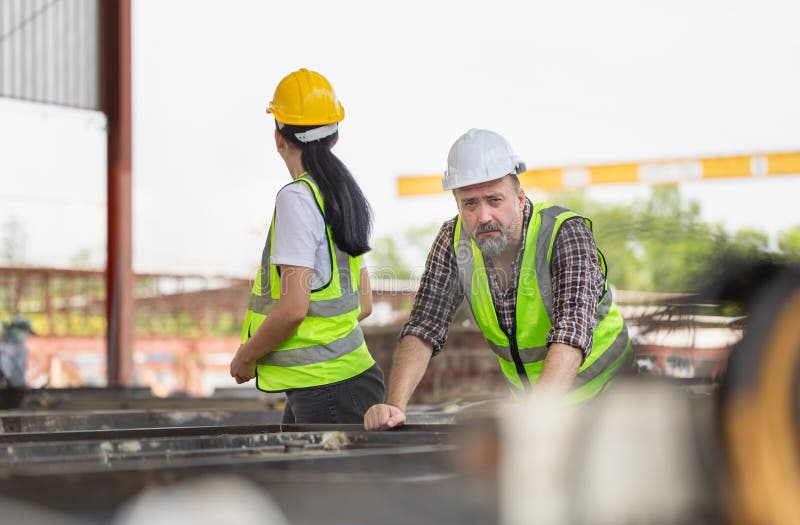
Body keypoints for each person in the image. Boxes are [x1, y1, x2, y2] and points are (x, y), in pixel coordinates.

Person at [364, 128, 633, 430]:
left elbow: (571, 332)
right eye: (470, 204)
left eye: (494, 200)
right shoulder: (454, 242)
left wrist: (536, 414)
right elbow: (423, 326)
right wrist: (394, 407)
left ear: (519, 197)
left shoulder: (563, 234)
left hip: (613, 402)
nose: (483, 216)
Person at [230, 68, 385, 424]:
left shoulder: (298, 199)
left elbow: (294, 308)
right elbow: (363, 305)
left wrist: (247, 356)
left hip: (327, 389)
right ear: (334, 137)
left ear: (278, 138)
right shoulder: (344, 195)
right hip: (351, 380)